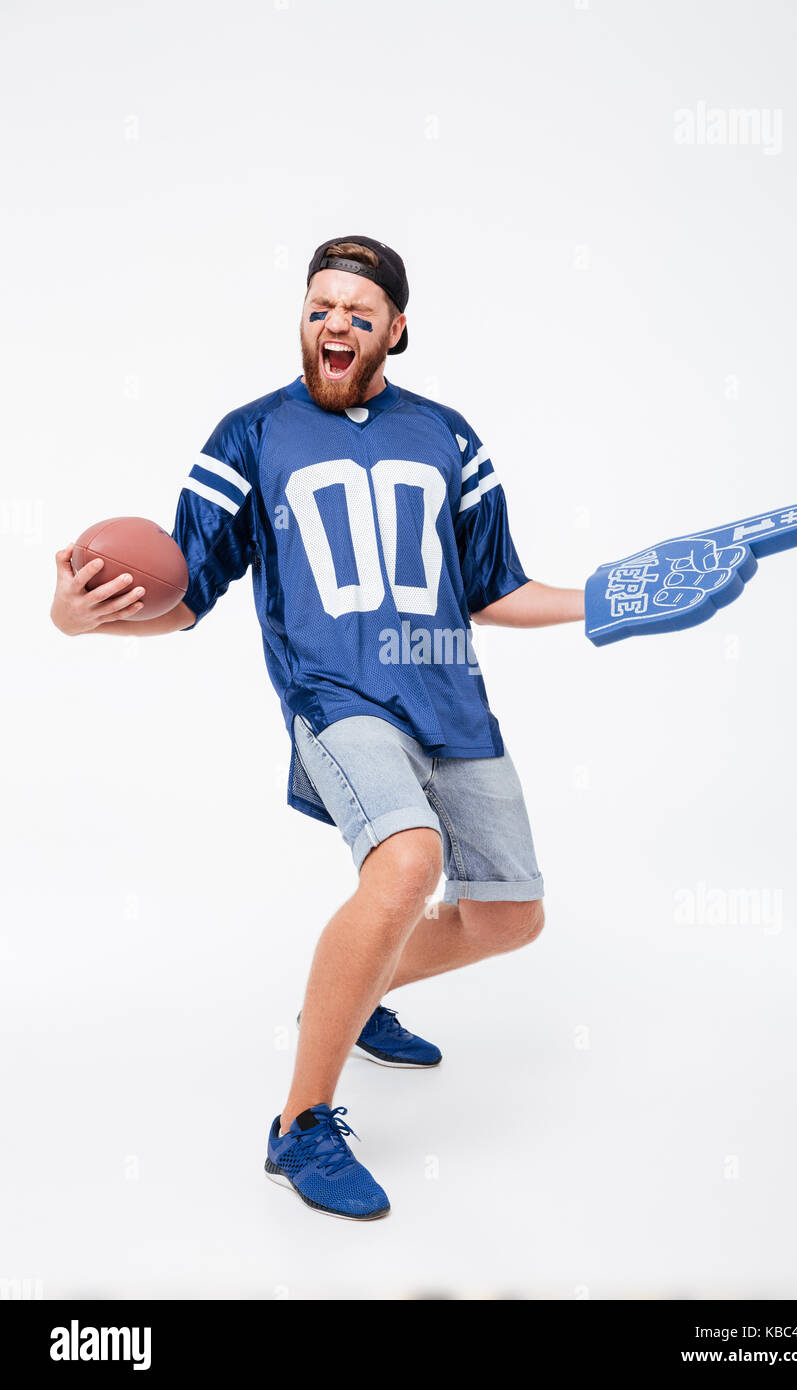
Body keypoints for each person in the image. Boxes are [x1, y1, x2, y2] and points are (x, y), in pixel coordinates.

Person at [51, 236, 585, 1221]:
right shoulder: (251, 434)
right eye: (318, 305)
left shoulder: (448, 435)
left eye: (357, 309)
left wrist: (596, 600)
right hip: (336, 697)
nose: (334, 321)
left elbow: (491, 587)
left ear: (396, 327)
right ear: (304, 318)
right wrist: (78, 618)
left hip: (451, 700)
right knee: (406, 862)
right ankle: (300, 1125)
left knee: (511, 918)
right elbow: (183, 594)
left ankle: (352, 990)